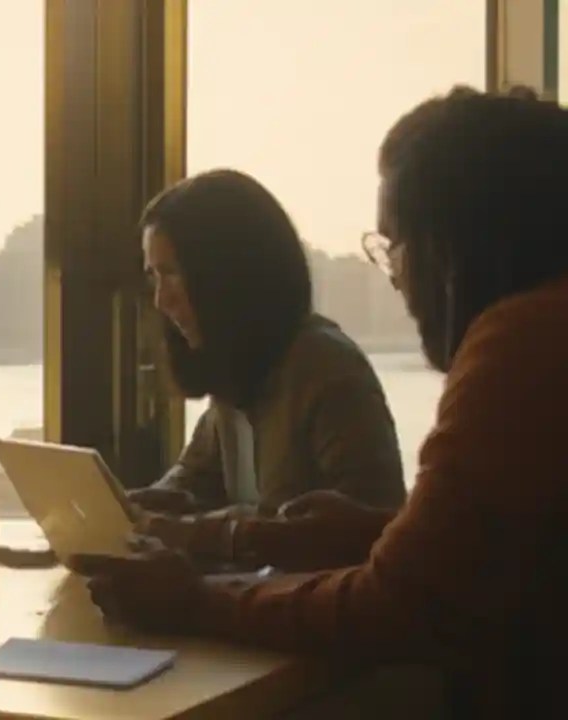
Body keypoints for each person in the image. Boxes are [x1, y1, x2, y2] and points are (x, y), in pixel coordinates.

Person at [72, 86, 568, 715]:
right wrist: (374, 533)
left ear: (449, 246)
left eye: (396, 246)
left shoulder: (522, 347)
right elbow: (493, 555)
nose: (395, 275)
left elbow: (398, 604)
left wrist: (195, 600)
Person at [129, 169, 405, 569]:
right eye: (154, 276)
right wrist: (138, 509)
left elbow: (368, 535)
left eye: (171, 273)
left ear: (227, 273)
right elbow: (192, 480)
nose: (160, 300)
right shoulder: (236, 372)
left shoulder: (327, 371)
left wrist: (193, 531)